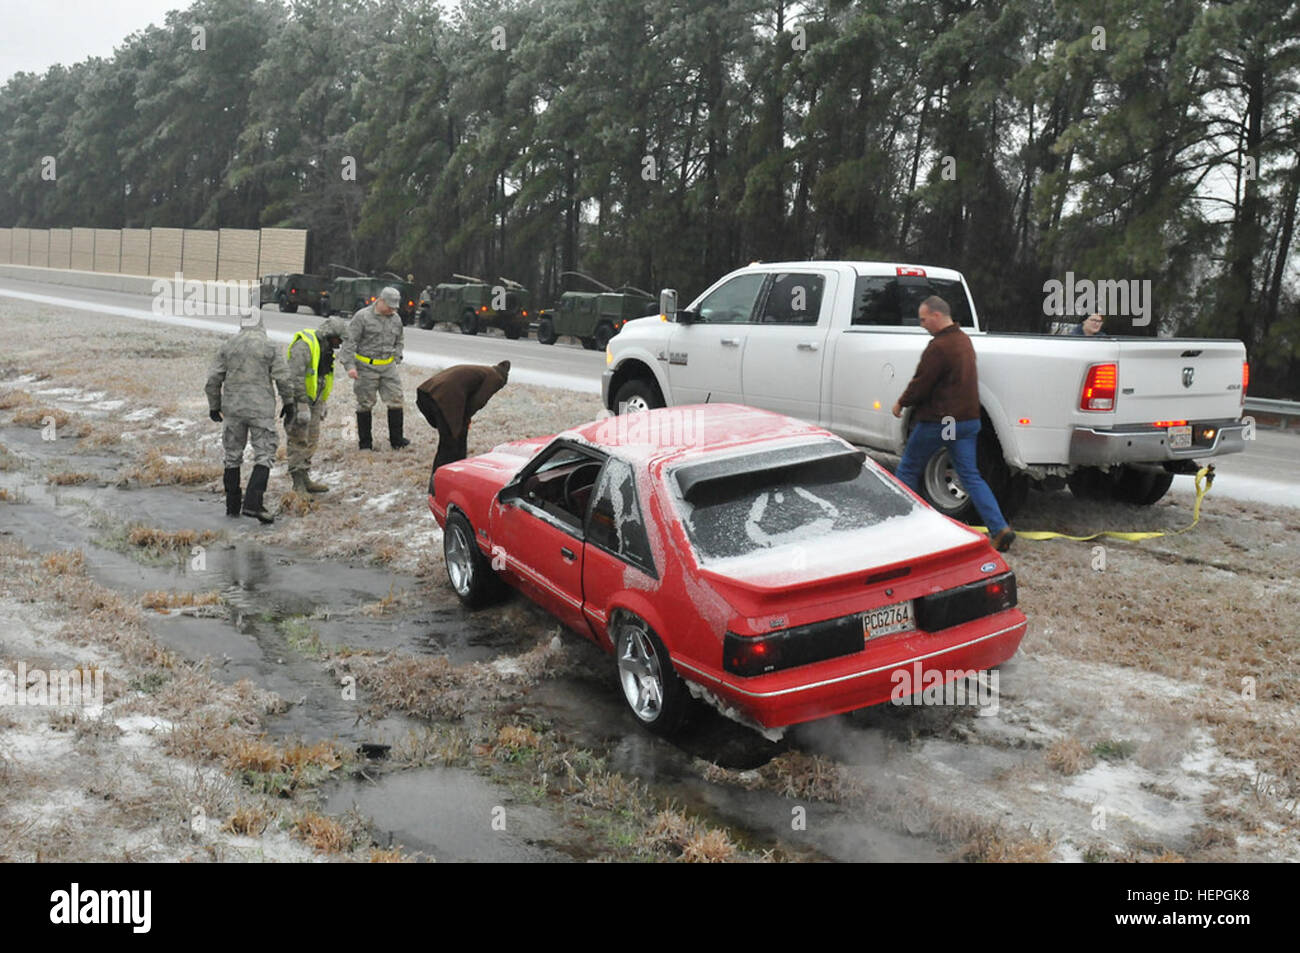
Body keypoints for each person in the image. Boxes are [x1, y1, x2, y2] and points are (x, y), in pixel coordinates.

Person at [891, 295, 1015, 552]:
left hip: (941, 420)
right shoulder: (964, 340)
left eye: (924, 319)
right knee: (971, 476)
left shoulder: (939, 347)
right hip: (967, 421)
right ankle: (999, 527)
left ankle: (901, 527)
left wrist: (901, 402)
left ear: (937, 315)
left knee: (907, 470)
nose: (922, 324)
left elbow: (921, 382)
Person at [206, 294, 294, 524]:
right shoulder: (270, 346)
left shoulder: (228, 346)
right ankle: (254, 504)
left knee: (232, 456)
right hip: (260, 408)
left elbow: (213, 379)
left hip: (233, 408)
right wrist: (289, 402)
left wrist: (214, 405)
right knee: (264, 454)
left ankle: (232, 505)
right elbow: (283, 378)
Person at [416, 362, 510, 494]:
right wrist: (465, 418)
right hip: (446, 398)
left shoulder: (481, 370)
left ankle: (453, 480)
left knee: (457, 439)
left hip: (428, 394)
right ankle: (437, 488)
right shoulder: (496, 378)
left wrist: (464, 419)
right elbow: (478, 401)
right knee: (450, 445)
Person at [341, 286, 409, 450]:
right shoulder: (362, 317)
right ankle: (365, 443)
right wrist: (350, 366)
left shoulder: (396, 318)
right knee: (365, 403)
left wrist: (397, 355)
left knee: (396, 400)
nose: (392, 309)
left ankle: (397, 440)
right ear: (380, 300)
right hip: (366, 367)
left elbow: (399, 340)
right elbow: (349, 343)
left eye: (395, 307)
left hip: (388, 367)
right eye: (390, 306)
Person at [286, 316, 348, 495]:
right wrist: (301, 404)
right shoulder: (304, 346)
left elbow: (324, 378)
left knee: (312, 440)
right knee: (298, 440)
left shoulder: (327, 350)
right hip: (300, 402)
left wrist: (323, 402)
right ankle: (297, 482)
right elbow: (294, 377)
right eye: (339, 339)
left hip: (315, 402)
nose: (340, 344)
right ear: (330, 335)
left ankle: (305, 476)